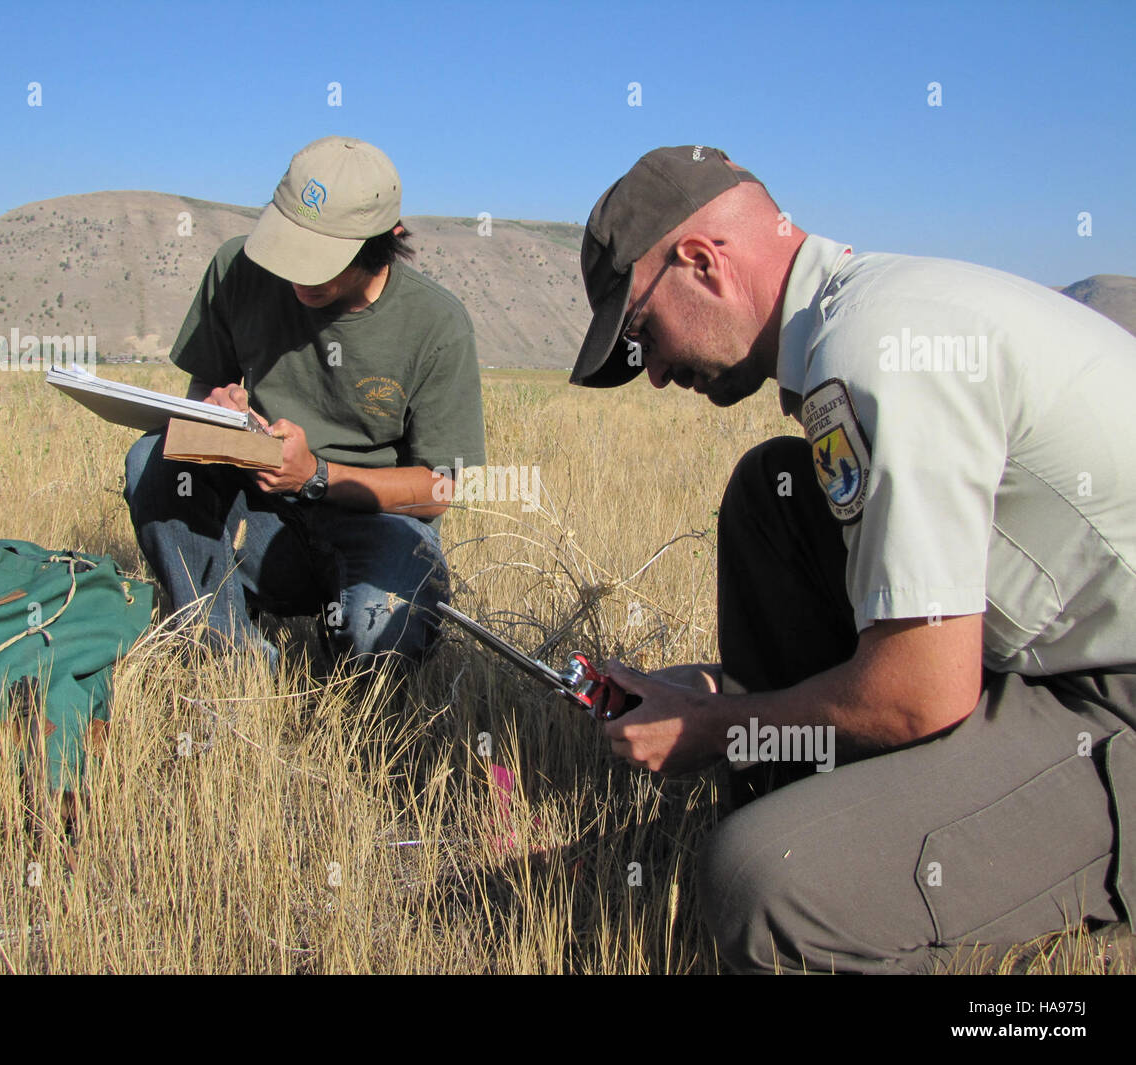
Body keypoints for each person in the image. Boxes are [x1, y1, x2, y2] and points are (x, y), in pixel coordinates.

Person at [569, 144, 1136, 973]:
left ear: (701, 262)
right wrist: (732, 701)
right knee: (776, 492)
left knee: (769, 888)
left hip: (1112, 701)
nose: (651, 373)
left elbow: (922, 693)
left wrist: (720, 728)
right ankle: (832, 815)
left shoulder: (874, 351)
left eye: (642, 334)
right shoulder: (873, 310)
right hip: (1059, 656)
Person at [125, 136, 486, 672]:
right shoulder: (237, 269)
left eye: (322, 261)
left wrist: (315, 474)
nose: (299, 277)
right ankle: (230, 660)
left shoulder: (437, 323)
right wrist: (218, 409)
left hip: (377, 523)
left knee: (376, 641)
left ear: (387, 241)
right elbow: (203, 389)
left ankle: (344, 643)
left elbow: (439, 489)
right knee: (154, 458)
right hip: (262, 514)